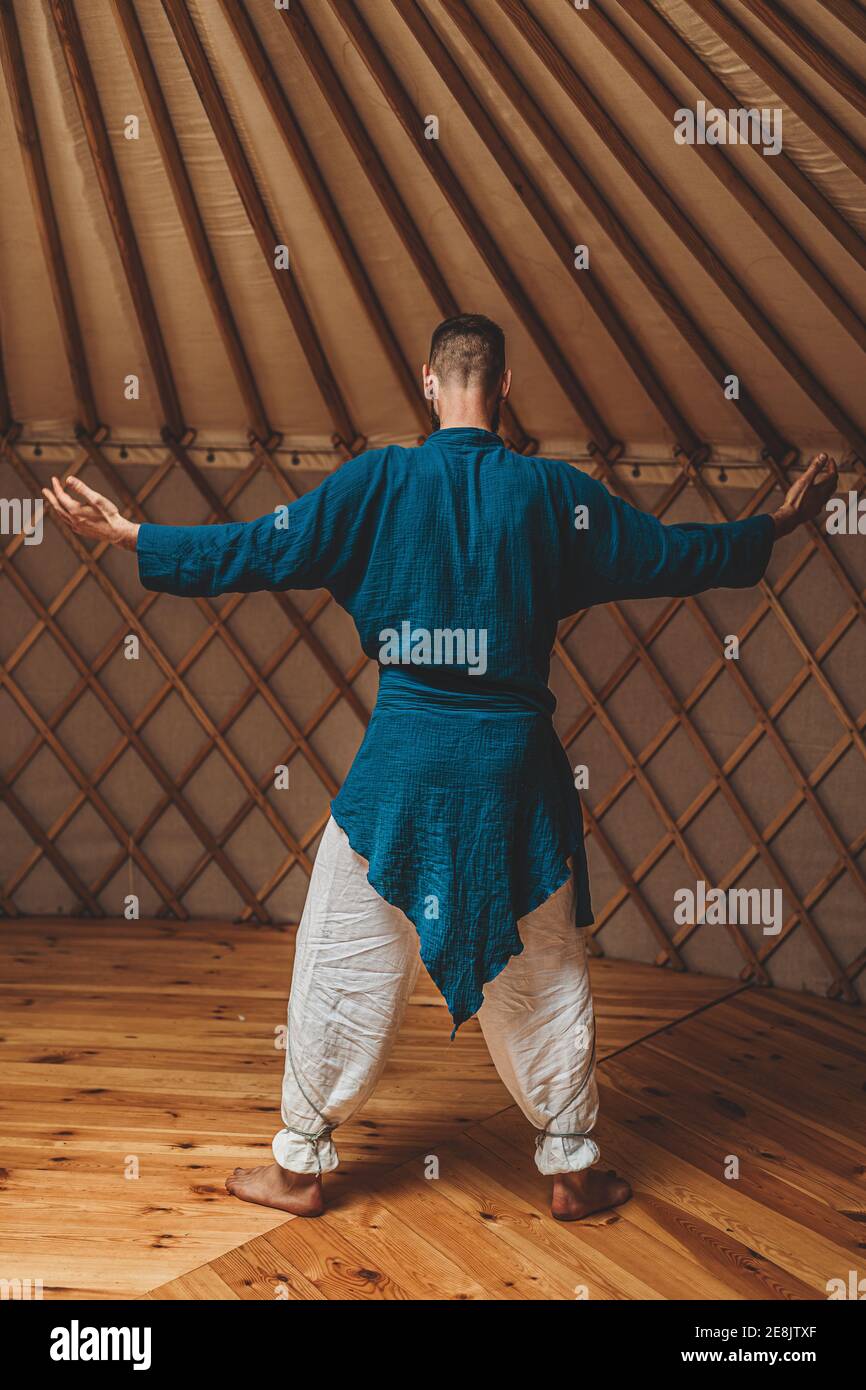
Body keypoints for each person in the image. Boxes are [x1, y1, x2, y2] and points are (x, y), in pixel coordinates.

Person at [43, 314, 838, 1222]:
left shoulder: (378, 481)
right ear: (505, 389)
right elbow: (673, 555)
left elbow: (256, 549)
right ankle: (573, 1169)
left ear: (429, 383)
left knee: (342, 953)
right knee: (545, 965)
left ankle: (300, 1167)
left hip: (403, 767)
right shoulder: (551, 495)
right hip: (518, 775)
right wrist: (778, 522)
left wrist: (133, 534)